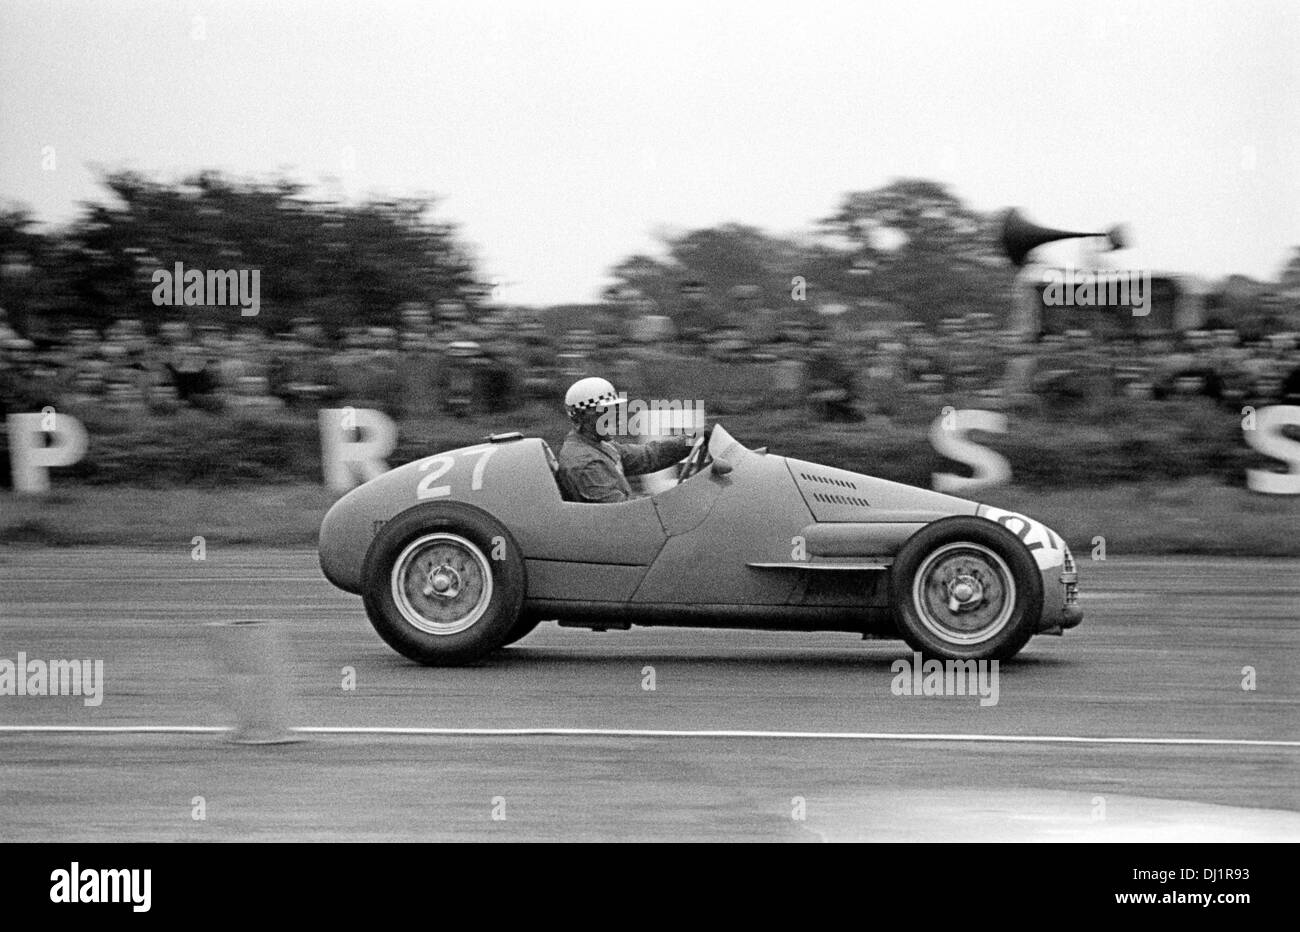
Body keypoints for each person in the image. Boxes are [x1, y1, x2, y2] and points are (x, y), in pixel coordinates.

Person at [556, 377, 696, 503]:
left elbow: (650, 455)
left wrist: (693, 440)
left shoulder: (599, 446)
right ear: (580, 416)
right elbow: (622, 514)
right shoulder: (586, 462)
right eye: (604, 411)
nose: (615, 417)